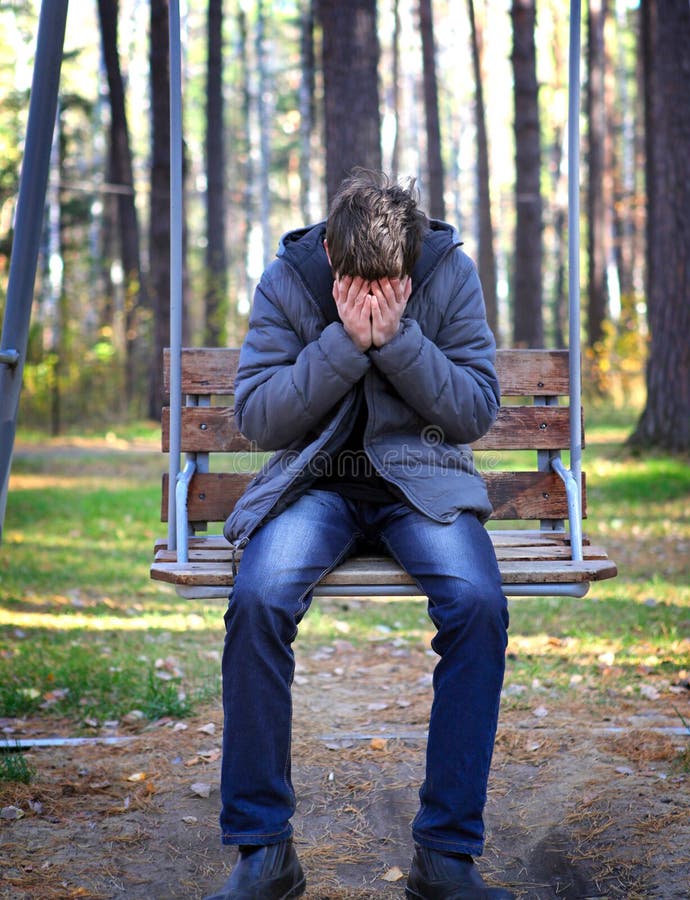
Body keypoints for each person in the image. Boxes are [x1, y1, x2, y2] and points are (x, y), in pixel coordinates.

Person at [206, 170, 514, 900]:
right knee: (258, 600)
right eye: (356, 283)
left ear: (412, 262)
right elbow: (259, 419)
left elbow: (473, 411)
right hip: (317, 483)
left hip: (423, 483)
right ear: (331, 258)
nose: (373, 296)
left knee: (479, 607)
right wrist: (344, 344)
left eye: (391, 284)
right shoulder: (289, 281)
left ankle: (446, 857)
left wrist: (399, 340)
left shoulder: (450, 273)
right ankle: (263, 850)